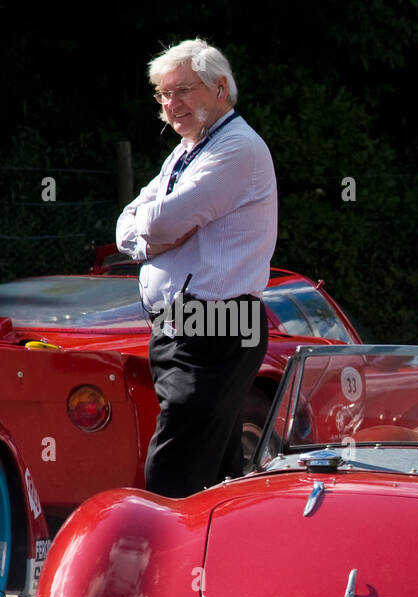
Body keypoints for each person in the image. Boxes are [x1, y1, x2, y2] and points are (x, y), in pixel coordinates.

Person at [116, 38, 276, 499]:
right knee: (212, 471)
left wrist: (150, 228)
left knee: (174, 471)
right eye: (164, 95)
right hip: (190, 324)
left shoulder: (236, 147)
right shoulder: (189, 149)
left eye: (183, 90)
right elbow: (132, 221)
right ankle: (216, 567)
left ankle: (167, 565)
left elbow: (161, 218)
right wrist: (149, 236)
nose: (172, 104)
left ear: (220, 88)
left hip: (214, 323)